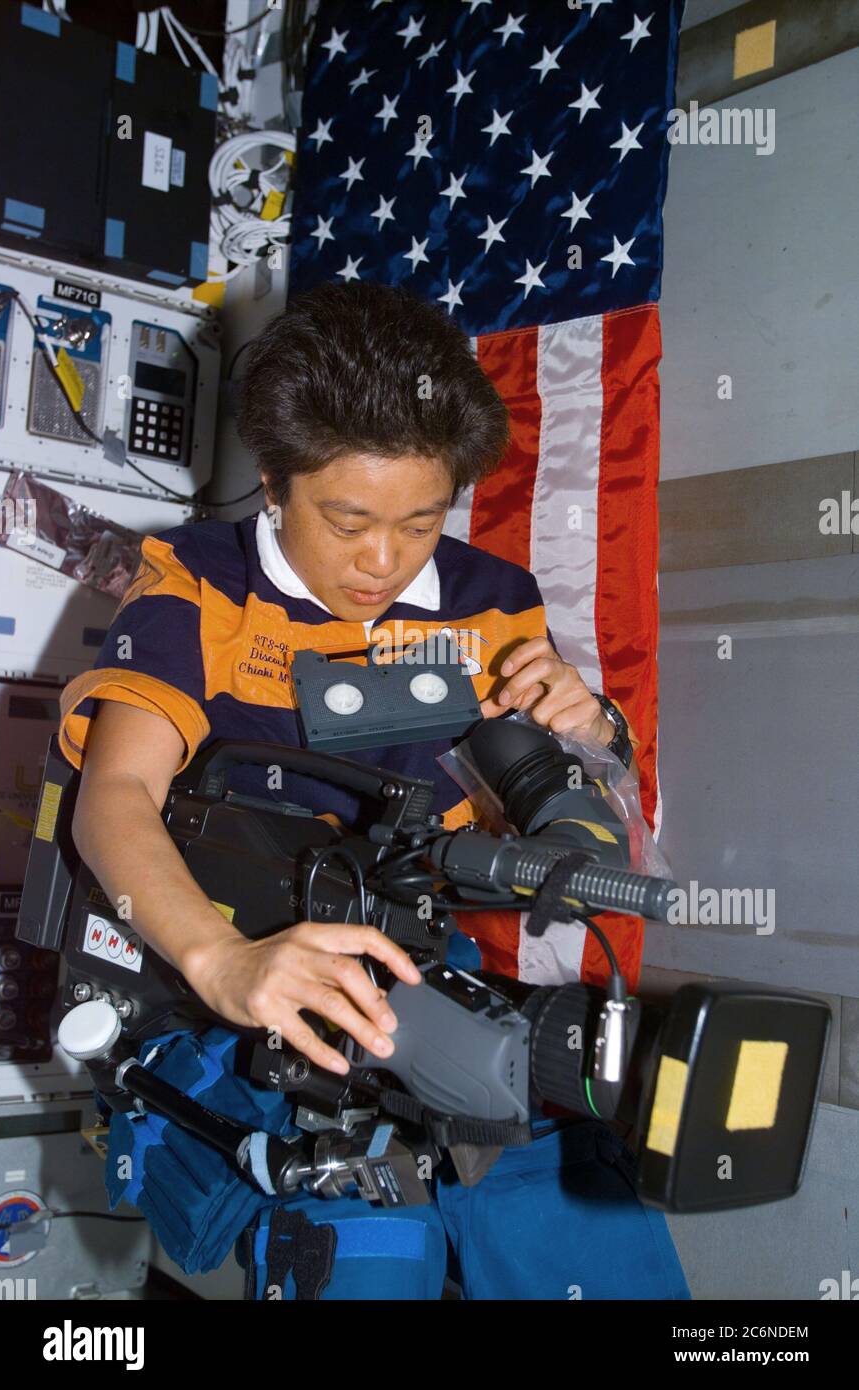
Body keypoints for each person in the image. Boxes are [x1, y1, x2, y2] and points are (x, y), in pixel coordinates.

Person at [59, 280, 690, 1301]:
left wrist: (594, 735)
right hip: (229, 968)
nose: (383, 561)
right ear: (273, 480)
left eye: (419, 521)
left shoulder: (491, 602)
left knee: (587, 1232)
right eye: (347, 520)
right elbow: (113, 796)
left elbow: (577, 814)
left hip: (417, 972)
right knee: (365, 1247)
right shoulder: (195, 584)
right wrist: (226, 965)